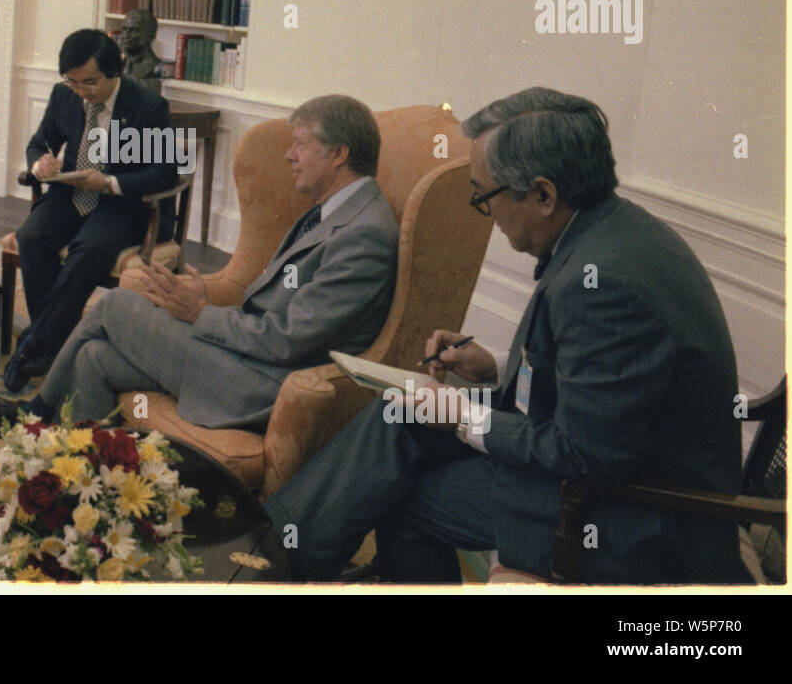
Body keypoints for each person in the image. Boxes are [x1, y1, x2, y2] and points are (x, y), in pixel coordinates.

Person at [261, 87, 749, 584]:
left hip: (631, 517)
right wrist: (492, 365)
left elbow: (585, 454)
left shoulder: (606, 282)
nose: (486, 212)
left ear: (543, 194)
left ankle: (275, 562)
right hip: (610, 471)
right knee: (398, 414)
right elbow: (595, 383)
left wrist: (463, 413)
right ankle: (280, 550)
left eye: (484, 196)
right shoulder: (611, 232)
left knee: (400, 496)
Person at [0, 94, 399, 436]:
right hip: (249, 359)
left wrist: (201, 314)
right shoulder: (337, 210)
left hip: (266, 385)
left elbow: (288, 342)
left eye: (301, 145)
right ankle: (78, 483)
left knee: (117, 305)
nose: (289, 155)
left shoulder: (363, 234)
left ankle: (34, 417)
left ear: (339, 153)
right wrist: (205, 302)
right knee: (94, 356)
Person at [2, 28, 179, 391]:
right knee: (31, 237)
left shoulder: (147, 106)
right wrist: (42, 166)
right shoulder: (63, 95)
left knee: (89, 250)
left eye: (90, 83)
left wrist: (110, 183)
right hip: (70, 195)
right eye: (73, 82)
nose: (81, 91)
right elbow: (39, 144)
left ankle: (35, 345)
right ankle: (56, 344)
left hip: (123, 204)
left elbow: (165, 173)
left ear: (114, 72)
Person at [119, 8, 162, 93]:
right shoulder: (117, 65)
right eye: (124, 29)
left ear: (151, 35)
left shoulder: (157, 68)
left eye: (134, 30)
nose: (126, 35)